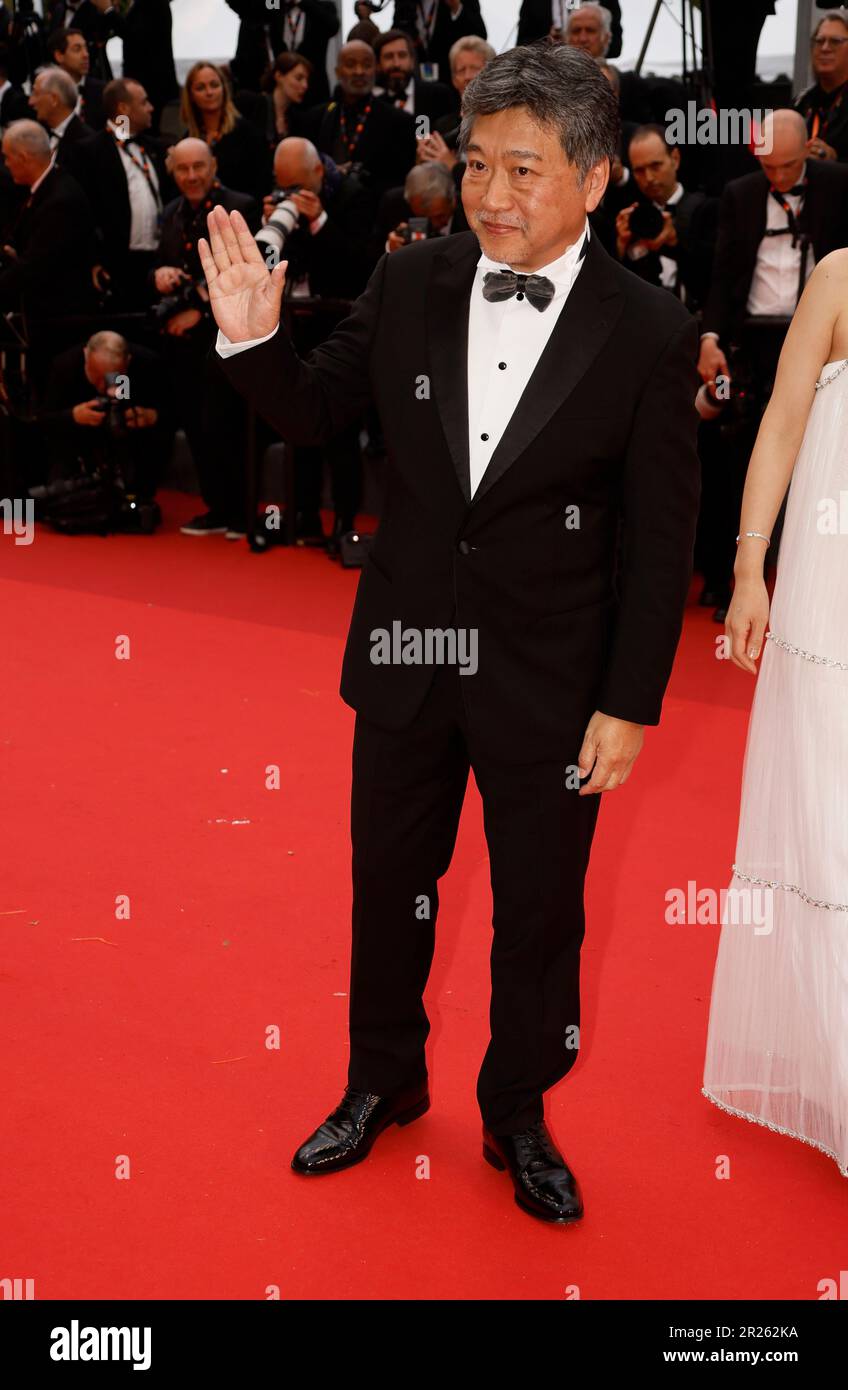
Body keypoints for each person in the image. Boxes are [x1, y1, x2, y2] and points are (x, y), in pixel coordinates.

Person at [200, 42, 700, 1224]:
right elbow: (319, 404)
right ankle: (379, 1082)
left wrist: (627, 702)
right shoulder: (414, 278)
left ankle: (517, 1111)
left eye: (522, 170)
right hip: (412, 654)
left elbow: (657, 534)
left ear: (589, 178)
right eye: (475, 164)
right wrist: (248, 341)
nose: (488, 195)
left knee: (539, 911)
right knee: (390, 886)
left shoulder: (645, 328)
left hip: (553, 678)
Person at [702, 248, 848, 1183]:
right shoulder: (838, 277)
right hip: (830, 600)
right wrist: (749, 566)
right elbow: (785, 421)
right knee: (830, 820)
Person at [180, 61, 271, 203]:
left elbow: (262, 185)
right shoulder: (188, 140)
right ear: (191, 95)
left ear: (224, 88)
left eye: (214, 85)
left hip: (242, 216)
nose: (209, 92)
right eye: (200, 88)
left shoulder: (248, 133)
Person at [796, 10, 848, 164]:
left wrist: (836, 162)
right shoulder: (801, 102)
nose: (825, 48)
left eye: (835, 41)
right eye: (819, 41)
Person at [46, 26, 105, 129]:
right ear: (59, 56)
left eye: (86, 48)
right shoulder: (46, 93)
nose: (86, 54)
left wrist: (121, 140)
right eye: (77, 49)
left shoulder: (103, 90)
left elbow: (123, 122)